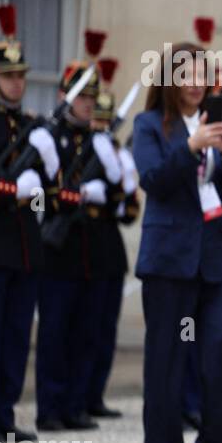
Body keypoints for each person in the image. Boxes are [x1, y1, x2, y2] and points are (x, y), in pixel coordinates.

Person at [132, 39, 222, 443]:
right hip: (170, 256)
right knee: (166, 354)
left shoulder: (221, 121)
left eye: (204, 74)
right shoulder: (150, 125)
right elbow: (153, 180)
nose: (198, 82)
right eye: (188, 74)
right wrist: (189, 147)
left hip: (218, 254)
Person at [35, 33, 122, 432]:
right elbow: (41, 193)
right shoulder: (49, 137)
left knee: (87, 330)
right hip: (59, 248)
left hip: (92, 250)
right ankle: (50, 408)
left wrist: (109, 185)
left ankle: (76, 404)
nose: (89, 104)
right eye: (83, 97)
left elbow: (120, 196)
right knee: (55, 331)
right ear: (66, 96)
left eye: (93, 98)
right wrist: (78, 193)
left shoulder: (98, 141)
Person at [0, 4, 45, 443]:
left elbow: (49, 191)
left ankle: (4, 416)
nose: (18, 83)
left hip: (25, 247)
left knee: (14, 337)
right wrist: (12, 191)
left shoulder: (30, 126)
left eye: (22, 75)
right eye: (9, 76)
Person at [85, 62, 137, 422]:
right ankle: (68, 400)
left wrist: (121, 185)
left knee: (104, 330)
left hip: (107, 247)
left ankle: (93, 396)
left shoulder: (113, 152)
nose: (101, 127)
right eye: (97, 120)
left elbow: (130, 211)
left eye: (106, 121)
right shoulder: (78, 151)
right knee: (79, 330)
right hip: (75, 247)